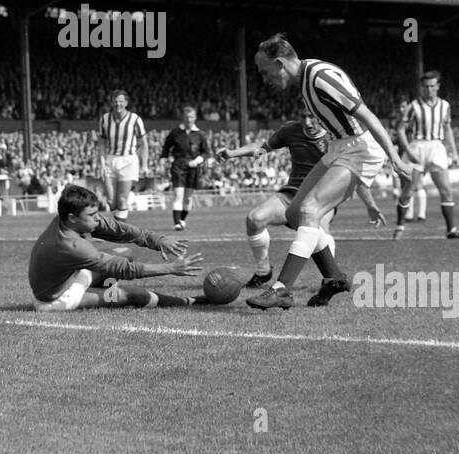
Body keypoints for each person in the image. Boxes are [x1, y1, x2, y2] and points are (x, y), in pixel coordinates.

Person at [247, 34, 418, 309]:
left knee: (310, 210)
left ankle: (282, 289)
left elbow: (367, 116)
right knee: (293, 213)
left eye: (264, 71)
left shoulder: (319, 76)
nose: (264, 79)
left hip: (359, 148)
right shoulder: (305, 81)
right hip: (339, 147)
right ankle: (334, 277)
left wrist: (395, 157)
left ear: (279, 63)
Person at [217, 107, 384, 302]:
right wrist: (232, 153)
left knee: (320, 225)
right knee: (255, 219)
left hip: (323, 195)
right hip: (292, 192)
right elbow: (263, 147)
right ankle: (263, 271)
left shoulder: (337, 137)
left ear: (323, 115)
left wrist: (370, 204)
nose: (307, 122)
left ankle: (329, 281)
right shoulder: (290, 131)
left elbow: (354, 171)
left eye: (312, 117)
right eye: (303, 116)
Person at [28, 185, 204, 311]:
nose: (97, 219)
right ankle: (187, 301)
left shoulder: (66, 221)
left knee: (125, 253)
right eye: (91, 215)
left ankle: (107, 293)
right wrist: (170, 268)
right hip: (59, 297)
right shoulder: (72, 245)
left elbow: (116, 229)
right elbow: (123, 269)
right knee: (136, 295)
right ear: (73, 218)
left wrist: (157, 240)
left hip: (70, 277)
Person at [393, 71, 459, 240]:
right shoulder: (413, 106)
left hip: (437, 147)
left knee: (446, 190)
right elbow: (400, 129)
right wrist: (408, 150)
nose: (429, 90)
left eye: (432, 86)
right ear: (421, 88)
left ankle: (451, 230)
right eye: (426, 86)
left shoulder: (445, 106)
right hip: (418, 147)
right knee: (409, 190)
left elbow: (447, 128)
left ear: (438, 87)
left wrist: (454, 151)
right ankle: (400, 226)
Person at [95, 90, 147, 221]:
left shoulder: (135, 119)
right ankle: (118, 229)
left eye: (121, 101)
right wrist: (101, 163)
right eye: (115, 101)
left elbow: (144, 143)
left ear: (126, 103)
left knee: (122, 198)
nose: (118, 104)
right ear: (112, 102)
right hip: (111, 159)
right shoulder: (105, 119)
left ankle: (119, 232)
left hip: (128, 160)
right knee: (111, 200)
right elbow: (101, 143)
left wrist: (144, 164)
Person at [159, 105, 210, 230]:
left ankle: (182, 220)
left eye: (191, 117)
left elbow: (206, 152)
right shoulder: (175, 133)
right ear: (183, 118)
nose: (189, 120)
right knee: (178, 195)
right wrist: (162, 159)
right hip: (178, 166)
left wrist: (197, 160)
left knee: (188, 197)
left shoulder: (200, 134)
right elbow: (166, 148)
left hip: (193, 167)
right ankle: (177, 223)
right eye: (187, 117)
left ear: (195, 118)